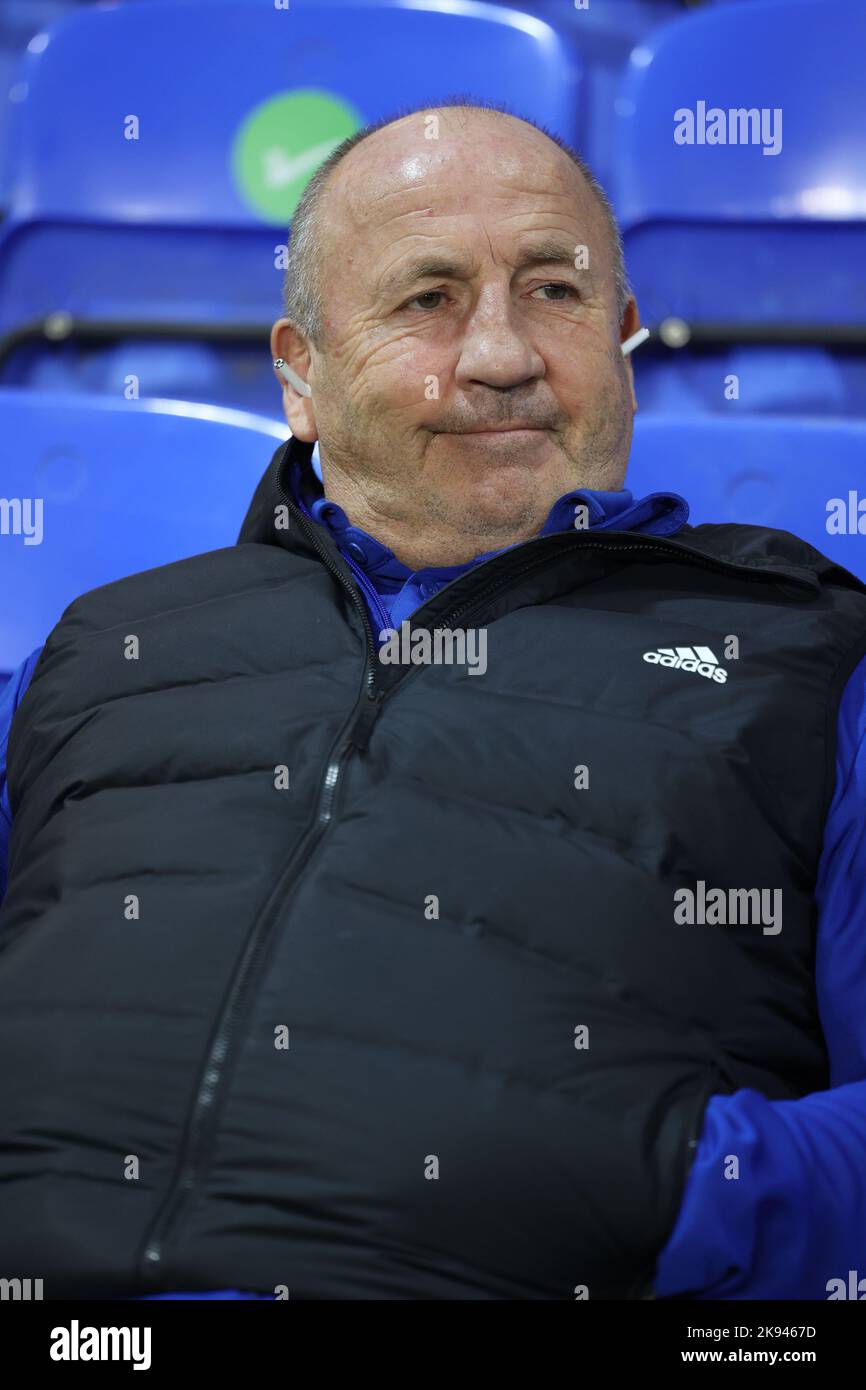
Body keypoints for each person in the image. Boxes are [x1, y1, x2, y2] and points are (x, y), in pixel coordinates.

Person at [1, 102, 865, 1301]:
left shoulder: (807, 650)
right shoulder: (100, 648)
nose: (502, 355)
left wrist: (672, 1191)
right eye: (428, 299)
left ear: (622, 342)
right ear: (300, 374)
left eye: (556, 294)